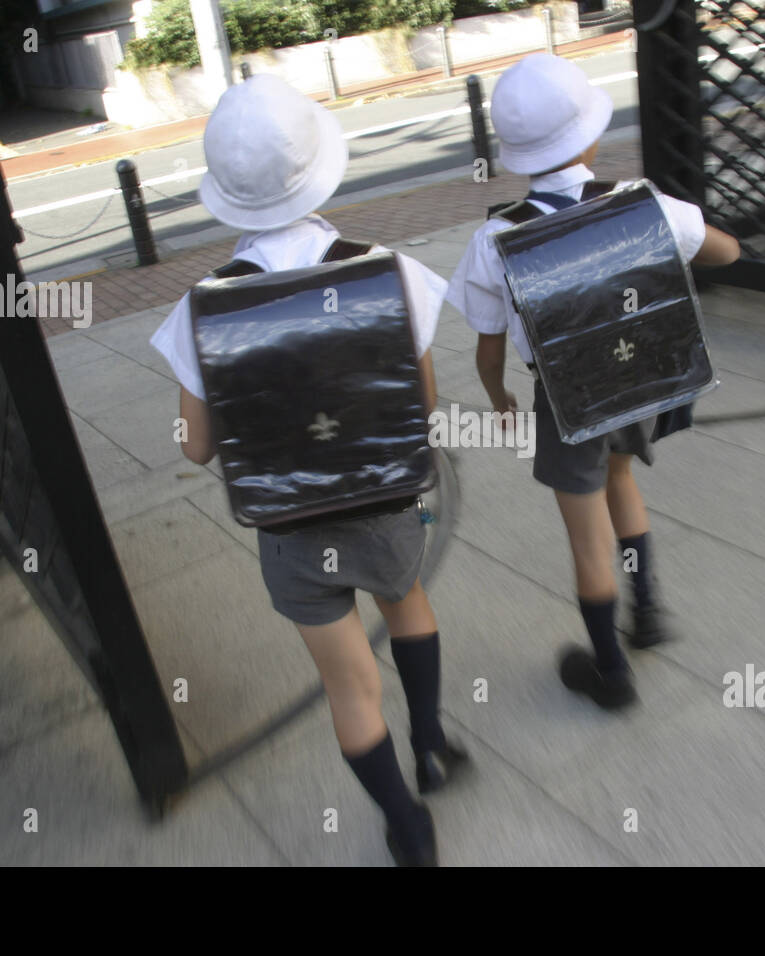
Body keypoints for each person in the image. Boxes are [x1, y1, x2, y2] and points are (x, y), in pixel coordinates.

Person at [148, 75, 468, 866]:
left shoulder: (206, 305)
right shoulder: (382, 267)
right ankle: (431, 741)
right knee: (408, 601)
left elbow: (195, 448)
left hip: (292, 531)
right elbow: (420, 400)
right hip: (385, 499)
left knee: (349, 685)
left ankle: (406, 825)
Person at [446, 54, 741, 710]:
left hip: (566, 396)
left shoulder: (496, 238)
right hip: (636, 378)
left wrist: (499, 402)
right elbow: (726, 251)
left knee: (586, 537)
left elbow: (488, 349)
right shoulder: (636, 203)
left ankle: (610, 672)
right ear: (590, 137)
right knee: (622, 479)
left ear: (516, 155)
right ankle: (647, 609)